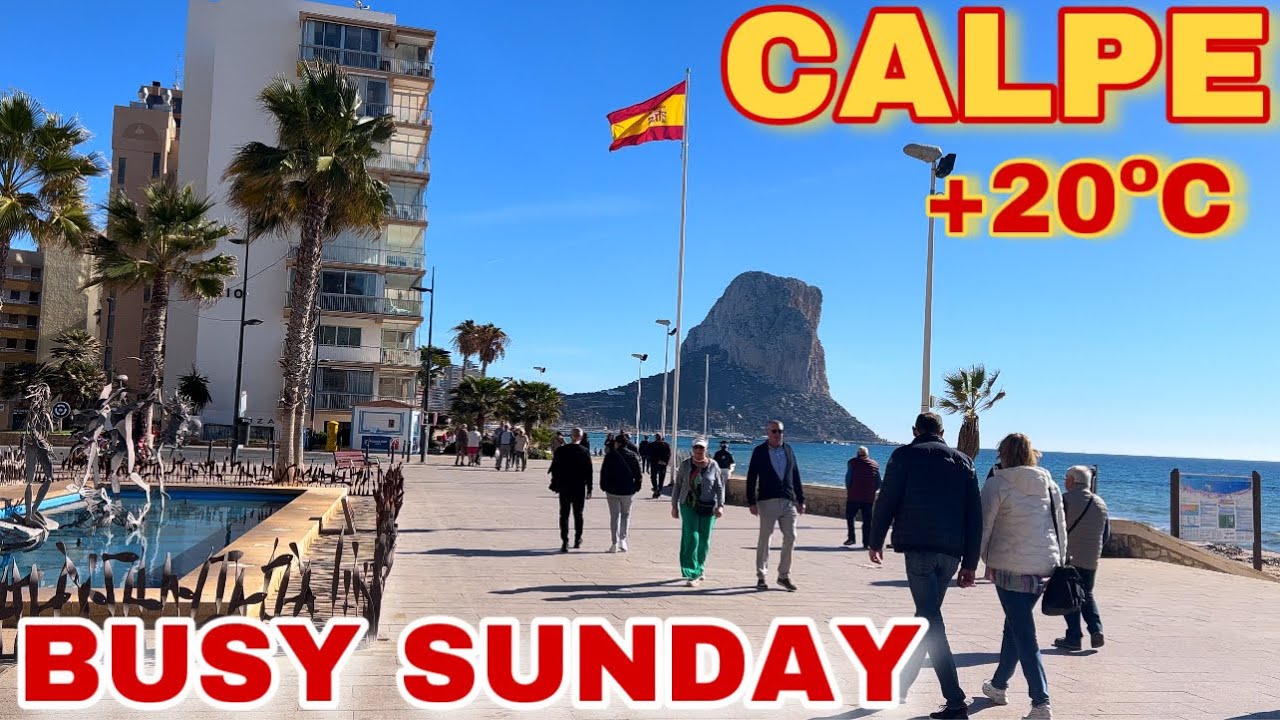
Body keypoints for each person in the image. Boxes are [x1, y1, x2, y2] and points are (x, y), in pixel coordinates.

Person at [867, 412, 981, 719]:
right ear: (943, 431)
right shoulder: (963, 461)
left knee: (930, 619)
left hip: (918, 550)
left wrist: (875, 540)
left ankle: (955, 701)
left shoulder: (904, 456)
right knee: (926, 616)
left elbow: (887, 500)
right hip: (952, 554)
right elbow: (975, 515)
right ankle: (901, 685)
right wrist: (970, 563)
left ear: (915, 430)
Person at [978, 433, 1065, 720]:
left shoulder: (997, 483)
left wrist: (982, 560)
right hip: (1044, 566)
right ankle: (999, 685)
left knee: (1024, 634)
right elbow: (1060, 526)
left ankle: (1041, 702)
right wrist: (1060, 561)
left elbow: (984, 525)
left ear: (1003, 453)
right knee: (1014, 626)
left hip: (1010, 568)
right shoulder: (1049, 484)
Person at [1054, 465, 1109, 652]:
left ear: (1072, 480)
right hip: (1091, 557)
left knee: (1070, 596)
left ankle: (1074, 637)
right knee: (1087, 594)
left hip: (1070, 557)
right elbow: (1106, 533)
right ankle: (1096, 629)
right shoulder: (1100, 503)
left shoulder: (1065, 500)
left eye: (1066, 478)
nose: (1064, 481)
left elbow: (1055, 527)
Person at [745, 420, 804, 591]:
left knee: (791, 537)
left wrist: (801, 499)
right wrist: (751, 502)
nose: (778, 434)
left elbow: (795, 474)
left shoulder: (788, 450)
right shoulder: (759, 451)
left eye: (780, 431)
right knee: (765, 538)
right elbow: (751, 477)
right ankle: (761, 576)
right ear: (767, 432)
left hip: (788, 500)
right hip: (766, 501)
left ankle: (783, 575)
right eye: (774, 431)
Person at [670, 438, 726, 586]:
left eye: (701, 448)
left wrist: (720, 506)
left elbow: (720, 487)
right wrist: (674, 506)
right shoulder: (685, 465)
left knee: (704, 540)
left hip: (708, 506)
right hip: (688, 505)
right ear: (692, 449)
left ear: (706, 449)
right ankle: (692, 572)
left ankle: (700, 567)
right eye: (696, 447)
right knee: (692, 537)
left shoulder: (714, 465)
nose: (699, 450)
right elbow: (677, 486)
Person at [548, 428, 594, 552]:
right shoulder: (584, 451)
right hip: (579, 487)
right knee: (578, 514)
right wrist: (589, 488)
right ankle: (578, 539)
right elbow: (589, 471)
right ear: (580, 437)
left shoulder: (561, 450)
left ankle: (565, 541)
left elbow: (554, 468)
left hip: (564, 486)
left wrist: (556, 483)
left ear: (571, 436)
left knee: (564, 514)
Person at [600, 431, 643, 553]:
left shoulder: (610, 456)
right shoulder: (633, 456)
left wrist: (603, 486)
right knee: (625, 515)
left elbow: (604, 472)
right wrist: (636, 487)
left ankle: (614, 543)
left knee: (614, 517)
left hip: (612, 490)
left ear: (617, 443)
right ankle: (623, 541)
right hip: (627, 490)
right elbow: (638, 474)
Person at [844, 446, 881, 547]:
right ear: (867, 454)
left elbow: (848, 478)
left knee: (850, 516)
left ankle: (851, 538)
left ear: (857, 453)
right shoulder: (875, 464)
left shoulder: (852, 462)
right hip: (868, 497)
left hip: (854, 495)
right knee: (867, 520)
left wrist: (849, 489)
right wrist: (872, 491)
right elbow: (878, 482)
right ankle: (867, 542)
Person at [648, 433, 671, 498]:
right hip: (655, 463)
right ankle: (656, 489)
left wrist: (665, 462)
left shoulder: (666, 445)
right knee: (654, 477)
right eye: (657, 437)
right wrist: (659, 461)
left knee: (660, 477)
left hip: (661, 464)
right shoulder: (652, 445)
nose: (658, 438)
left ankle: (658, 490)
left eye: (659, 437)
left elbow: (668, 454)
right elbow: (650, 455)